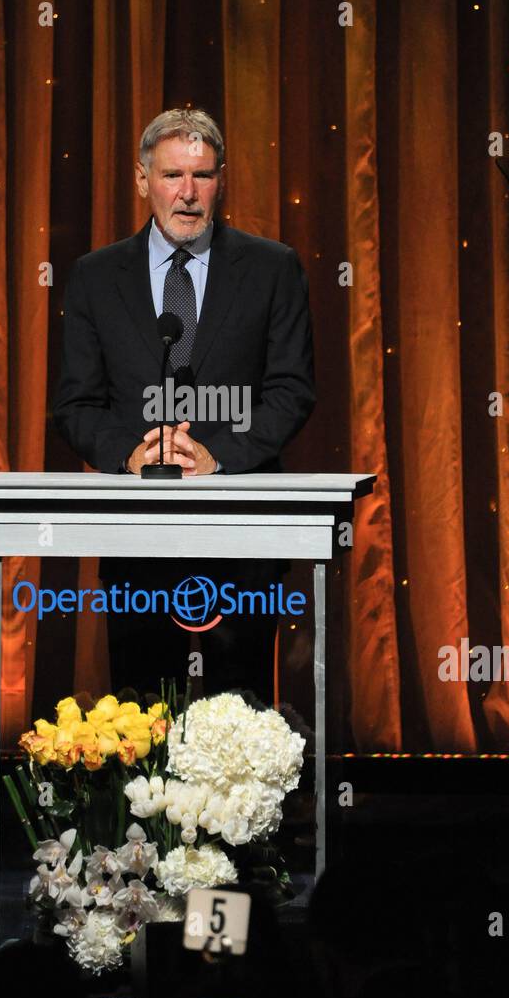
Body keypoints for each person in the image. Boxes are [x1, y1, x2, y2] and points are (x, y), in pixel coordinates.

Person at [53, 107, 316, 701]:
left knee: (241, 725)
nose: (188, 194)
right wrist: (130, 454)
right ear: (143, 180)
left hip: (244, 539)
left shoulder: (273, 268)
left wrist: (215, 457)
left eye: (202, 176)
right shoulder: (95, 277)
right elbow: (76, 405)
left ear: (223, 180)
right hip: (139, 545)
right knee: (142, 725)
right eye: (173, 176)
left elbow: (291, 390)